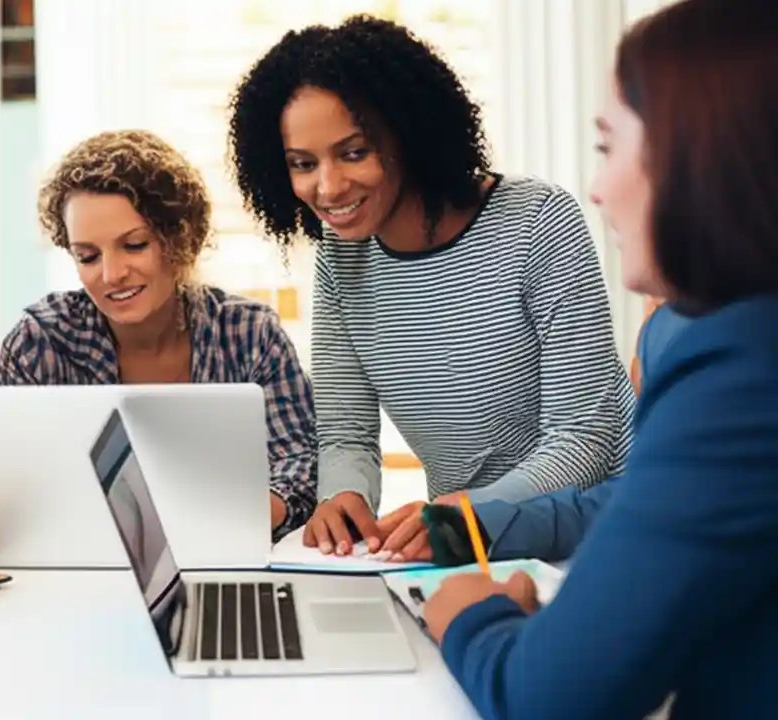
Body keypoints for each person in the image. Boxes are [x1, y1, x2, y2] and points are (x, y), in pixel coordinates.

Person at [424, 1, 778, 716]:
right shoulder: (715, 336)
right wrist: (480, 521)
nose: (597, 188)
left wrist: (469, 613)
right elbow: (650, 503)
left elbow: (547, 698)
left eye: (609, 146)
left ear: (697, 156)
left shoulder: (742, 366)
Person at [226, 15, 635, 556]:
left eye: (354, 153)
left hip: (606, 523)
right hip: (467, 541)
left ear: (410, 132)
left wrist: (466, 515)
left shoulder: (536, 219)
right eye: (303, 164)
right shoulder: (340, 259)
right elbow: (346, 433)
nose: (327, 187)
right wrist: (342, 497)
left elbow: (585, 440)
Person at [0, 130, 317, 537]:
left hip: (226, 555)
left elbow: (302, 461)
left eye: (134, 245)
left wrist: (236, 515)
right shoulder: (40, 341)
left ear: (181, 239)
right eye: (87, 256)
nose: (111, 275)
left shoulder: (249, 334)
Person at [379, 301, 694, 564]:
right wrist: (474, 527)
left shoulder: (689, 335)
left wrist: (479, 618)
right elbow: (613, 505)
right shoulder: (666, 328)